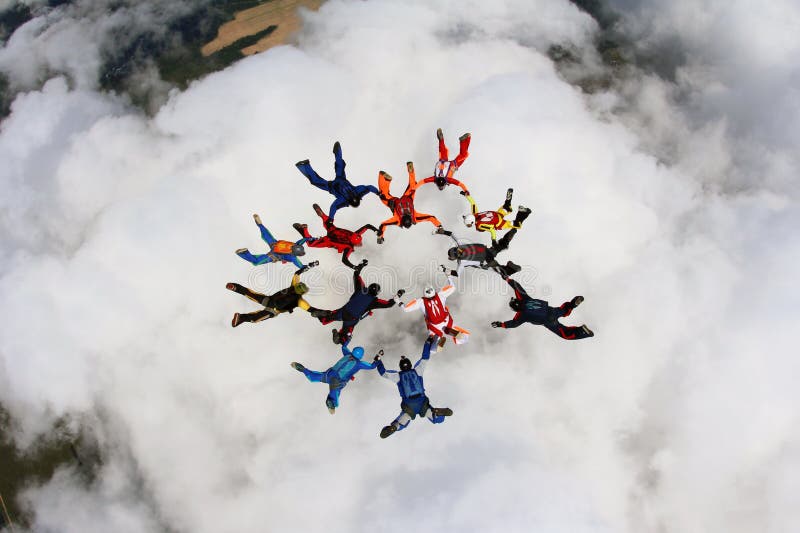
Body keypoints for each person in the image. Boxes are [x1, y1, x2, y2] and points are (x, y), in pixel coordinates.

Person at [375, 338, 453, 439]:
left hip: (409, 405)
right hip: (422, 402)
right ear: (410, 365)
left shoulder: (397, 376)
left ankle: (395, 427)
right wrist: (428, 342)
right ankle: (436, 414)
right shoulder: (417, 370)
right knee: (437, 420)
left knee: (403, 421)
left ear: (400, 367)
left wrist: (378, 361)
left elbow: (383, 373)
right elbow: (425, 357)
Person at [311, 261, 397, 344]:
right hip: (351, 319)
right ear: (376, 293)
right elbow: (389, 304)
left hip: (343, 311)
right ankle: (340, 338)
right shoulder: (373, 301)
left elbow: (356, 275)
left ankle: (325, 315)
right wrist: (398, 295)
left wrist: (362, 265)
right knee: (346, 335)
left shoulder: (361, 289)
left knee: (328, 318)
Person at [295, 141, 380, 220]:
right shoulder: (344, 199)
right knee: (315, 181)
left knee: (340, 165)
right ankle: (305, 165)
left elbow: (369, 187)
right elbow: (334, 206)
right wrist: (331, 219)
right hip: (331, 186)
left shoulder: (358, 192)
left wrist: (378, 193)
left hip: (341, 179)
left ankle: (338, 150)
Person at [491, 275, 594, 340]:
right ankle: (573, 303)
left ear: (516, 309)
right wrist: (507, 279)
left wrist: (501, 324)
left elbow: (513, 324)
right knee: (565, 310)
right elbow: (517, 287)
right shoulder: (524, 298)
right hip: (552, 310)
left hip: (548, 321)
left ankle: (582, 331)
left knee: (565, 334)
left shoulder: (522, 315)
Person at [225, 262, 320, 327]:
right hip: (270, 300)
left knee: (256, 317)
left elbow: (309, 308)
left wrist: (320, 313)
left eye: (297, 289)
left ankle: (240, 317)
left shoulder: (299, 300)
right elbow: (297, 274)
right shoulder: (294, 286)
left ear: (300, 292)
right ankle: (235, 287)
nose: (295, 289)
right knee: (252, 295)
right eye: (297, 287)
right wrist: (310, 266)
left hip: (274, 309)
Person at [291, 344, 378, 414]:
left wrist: (348, 339)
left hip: (329, 374)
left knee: (313, 377)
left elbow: (344, 347)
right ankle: (331, 403)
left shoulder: (347, 354)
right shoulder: (359, 363)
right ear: (361, 356)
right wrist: (377, 358)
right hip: (338, 380)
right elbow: (372, 366)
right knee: (335, 395)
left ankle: (304, 370)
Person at [293, 203, 378, 269]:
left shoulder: (355, 234)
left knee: (328, 222)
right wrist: (354, 267)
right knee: (311, 244)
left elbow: (367, 226)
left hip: (334, 230)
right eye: (359, 243)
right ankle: (305, 229)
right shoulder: (348, 247)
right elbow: (344, 260)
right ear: (354, 243)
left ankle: (323, 216)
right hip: (329, 240)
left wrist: (377, 231)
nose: (360, 244)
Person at [376, 161, 445, 242]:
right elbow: (383, 224)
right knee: (383, 195)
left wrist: (440, 226)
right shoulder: (398, 220)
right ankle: (385, 179)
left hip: (408, 197)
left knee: (413, 186)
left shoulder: (415, 217)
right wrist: (380, 237)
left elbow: (431, 217)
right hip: (395, 202)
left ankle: (411, 172)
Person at [398, 277, 470, 349]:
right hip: (447, 321)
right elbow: (453, 287)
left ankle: (437, 343)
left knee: (434, 340)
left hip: (434, 326)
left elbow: (406, 309)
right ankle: (450, 332)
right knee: (456, 332)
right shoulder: (441, 294)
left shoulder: (421, 301)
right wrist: (448, 276)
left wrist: (398, 301)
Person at [235, 214, 309, 269]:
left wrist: (309, 238)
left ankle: (260, 225)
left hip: (275, 244)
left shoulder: (296, 244)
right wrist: (303, 267)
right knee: (256, 262)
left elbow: (302, 240)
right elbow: (299, 264)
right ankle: (244, 253)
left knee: (267, 235)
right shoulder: (293, 257)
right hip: (274, 255)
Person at [444, 229, 521, 278]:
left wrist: (445, 270)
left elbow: (457, 274)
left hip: (485, 261)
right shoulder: (460, 244)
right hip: (485, 250)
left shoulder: (461, 262)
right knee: (501, 245)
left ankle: (511, 269)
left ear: (454, 257)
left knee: (502, 271)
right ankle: (508, 237)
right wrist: (442, 231)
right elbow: (451, 234)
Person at [463, 188, 531, 242]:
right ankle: (507, 201)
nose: (469, 226)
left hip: (499, 223)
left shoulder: (479, 225)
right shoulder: (475, 214)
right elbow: (473, 203)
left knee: (517, 224)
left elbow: (492, 230)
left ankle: (521, 212)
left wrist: (493, 240)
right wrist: (467, 196)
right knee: (507, 208)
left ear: (472, 222)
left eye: (469, 225)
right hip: (497, 214)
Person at [420, 128, 471, 193]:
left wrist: (466, 190)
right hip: (442, 162)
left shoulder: (447, 180)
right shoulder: (435, 179)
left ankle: (464, 140)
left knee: (464, 155)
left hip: (452, 165)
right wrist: (414, 188)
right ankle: (441, 140)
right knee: (443, 150)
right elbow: (422, 181)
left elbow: (461, 184)